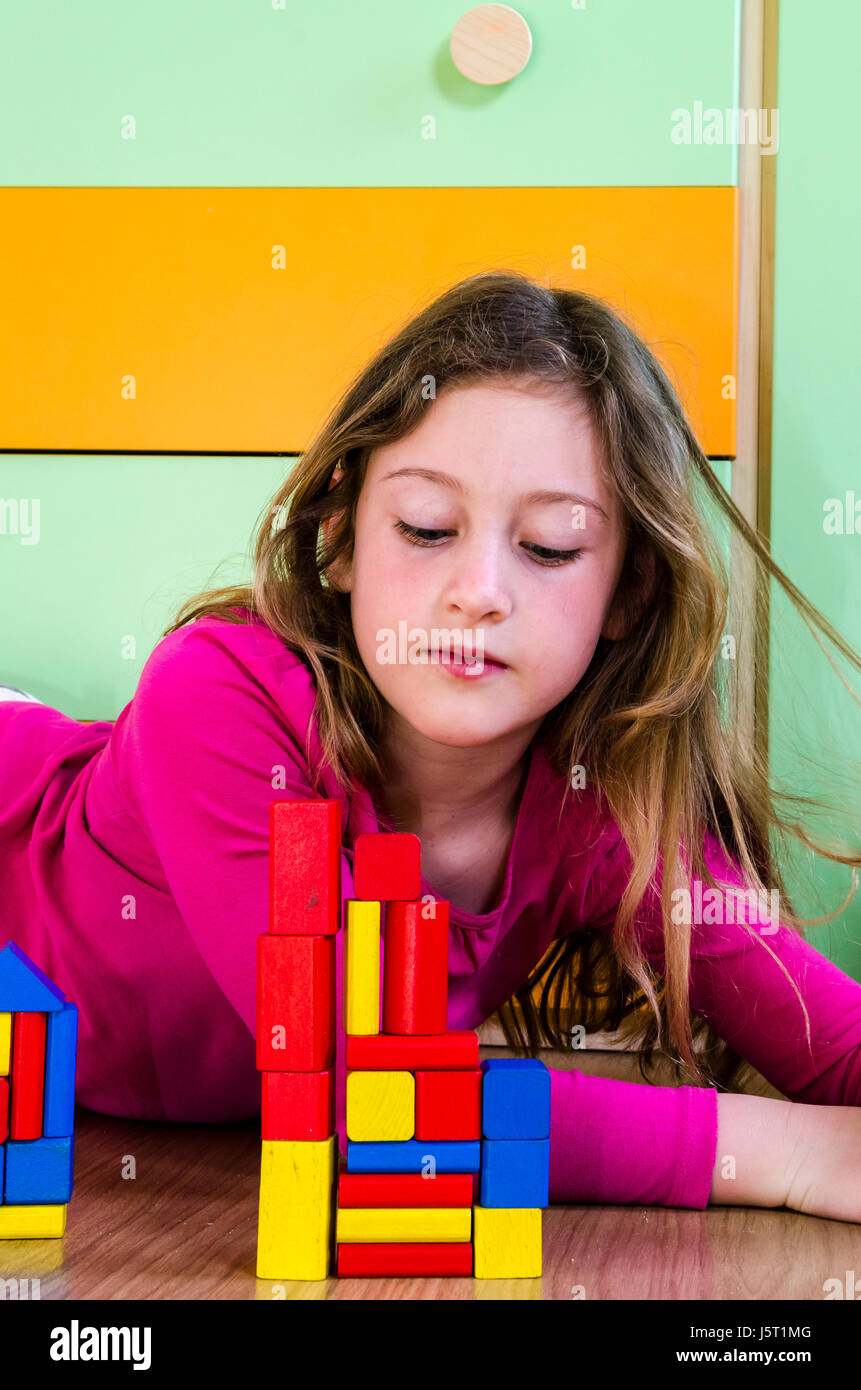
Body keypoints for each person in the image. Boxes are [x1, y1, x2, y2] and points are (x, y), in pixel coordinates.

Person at [2, 271, 860, 1221]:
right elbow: (368, 1104)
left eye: (549, 545)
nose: (477, 589)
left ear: (628, 595)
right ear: (341, 535)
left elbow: (835, 1048)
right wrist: (783, 1154)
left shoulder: (607, 807)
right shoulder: (212, 694)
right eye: (424, 528)